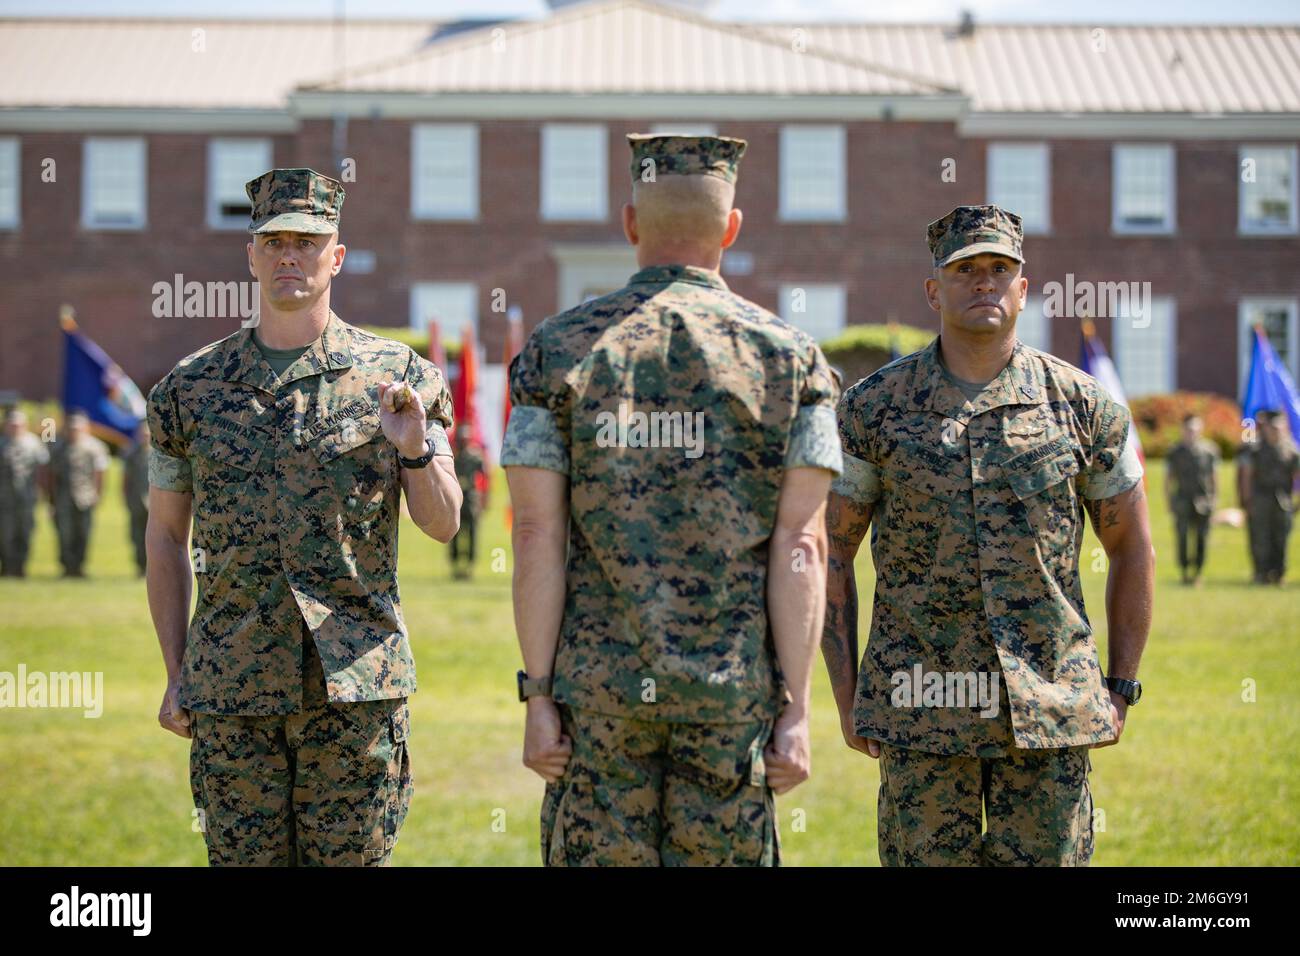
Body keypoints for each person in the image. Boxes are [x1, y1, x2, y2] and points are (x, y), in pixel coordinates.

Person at [502, 134, 842, 866]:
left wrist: (537, 698)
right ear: (732, 227)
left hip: (598, 702)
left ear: (630, 223)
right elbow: (804, 545)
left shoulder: (555, 352)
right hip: (732, 699)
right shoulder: (791, 360)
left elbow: (534, 534)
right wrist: (799, 710)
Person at [146, 167, 463, 866]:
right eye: (275, 241)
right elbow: (166, 537)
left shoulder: (399, 378)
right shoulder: (188, 391)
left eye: (309, 242)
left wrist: (414, 452)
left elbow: (443, 523)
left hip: (354, 693)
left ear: (337, 256)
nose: (291, 256)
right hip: (232, 691)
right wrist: (177, 670)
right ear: (251, 256)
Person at [823, 204, 1155, 866]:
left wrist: (1120, 687)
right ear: (933, 290)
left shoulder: (1081, 407)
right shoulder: (873, 409)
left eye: (1000, 270)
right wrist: (847, 697)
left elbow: (1131, 548)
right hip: (920, 711)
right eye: (965, 270)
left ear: (1023, 289)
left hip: (1049, 713)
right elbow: (830, 552)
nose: (983, 283)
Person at [45, 408, 109, 578]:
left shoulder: (95, 447)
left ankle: (79, 567)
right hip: (62, 498)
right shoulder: (57, 447)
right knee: (64, 533)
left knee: (83, 534)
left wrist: (97, 494)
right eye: (71, 428)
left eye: (78, 428)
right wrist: (50, 500)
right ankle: (67, 568)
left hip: (85, 498)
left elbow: (100, 474)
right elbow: (50, 474)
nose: (74, 431)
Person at [1240, 409, 1299, 584]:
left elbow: (1297, 475)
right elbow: (1247, 476)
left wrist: (1297, 501)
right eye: (1270, 427)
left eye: (1277, 427)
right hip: (1260, 500)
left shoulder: (1291, 450)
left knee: (1281, 539)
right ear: (1264, 428)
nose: (1274, 431)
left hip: (1283, 501)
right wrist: (1247, 500)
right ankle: (1261, 573)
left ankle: (1278, 574)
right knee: (1260, 538)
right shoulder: (1255, 450)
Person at [1165, 414, 1219, 586]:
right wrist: (1169, 501)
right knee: (1182, 537)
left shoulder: (1209, 450)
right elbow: (1169, 479)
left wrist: (1215, 499)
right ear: (1182, 430)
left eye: (1195, 430)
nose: (1191, 433)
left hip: (1203, 500)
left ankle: (1198, 572)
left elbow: (1214, 477)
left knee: (1202, 537)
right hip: (1182, 500)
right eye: (1188, 430)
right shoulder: (1175, 451)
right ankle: (1184, 571)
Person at [0, 408, 49, 577]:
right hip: (4, 500)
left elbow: (42, 470)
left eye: (18, 424)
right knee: (5, 534)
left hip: (27, 498)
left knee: (25, 532)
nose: (15, 428)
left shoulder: (34, 444)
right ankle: (6, 567)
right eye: (12, 424)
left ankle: (21, 567)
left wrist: (44, 493)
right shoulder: (1, 443)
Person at [449, 427, 486, 580]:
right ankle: (455, 564)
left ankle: (470, 565)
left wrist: (484, 497)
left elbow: (484, 475)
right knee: (454, 533)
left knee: (472, 533)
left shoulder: (475, 457)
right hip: (456, 498)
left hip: (470, 497)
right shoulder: (452, 456)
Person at [123, 419, 151, 577]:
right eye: (143, 434)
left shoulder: (159, 453)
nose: (145, 437)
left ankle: (152, 567)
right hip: (136, 501)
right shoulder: (130, 453)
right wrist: (126, 498)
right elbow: (125, 479)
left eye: (147, 434)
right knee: (136, 535)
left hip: (155, 503)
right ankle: (141, 567)